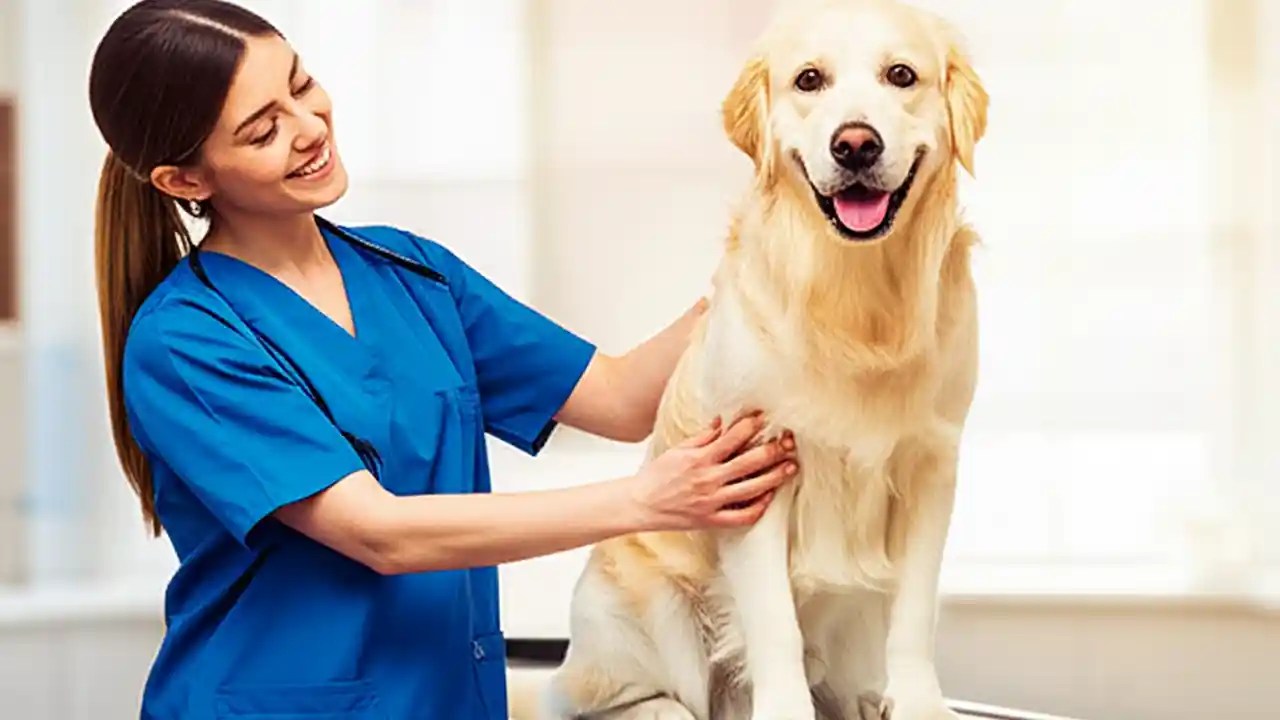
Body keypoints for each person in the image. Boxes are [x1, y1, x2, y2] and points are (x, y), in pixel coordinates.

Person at [87, 1, 798, 718]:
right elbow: (377, 532)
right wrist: (644, 503)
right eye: (264, 130)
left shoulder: (412, 272)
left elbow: (618, 399)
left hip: (446, 698)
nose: (309, 130)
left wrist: (769, 270)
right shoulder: (188, 340)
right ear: (185, 182)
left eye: (301, 87)